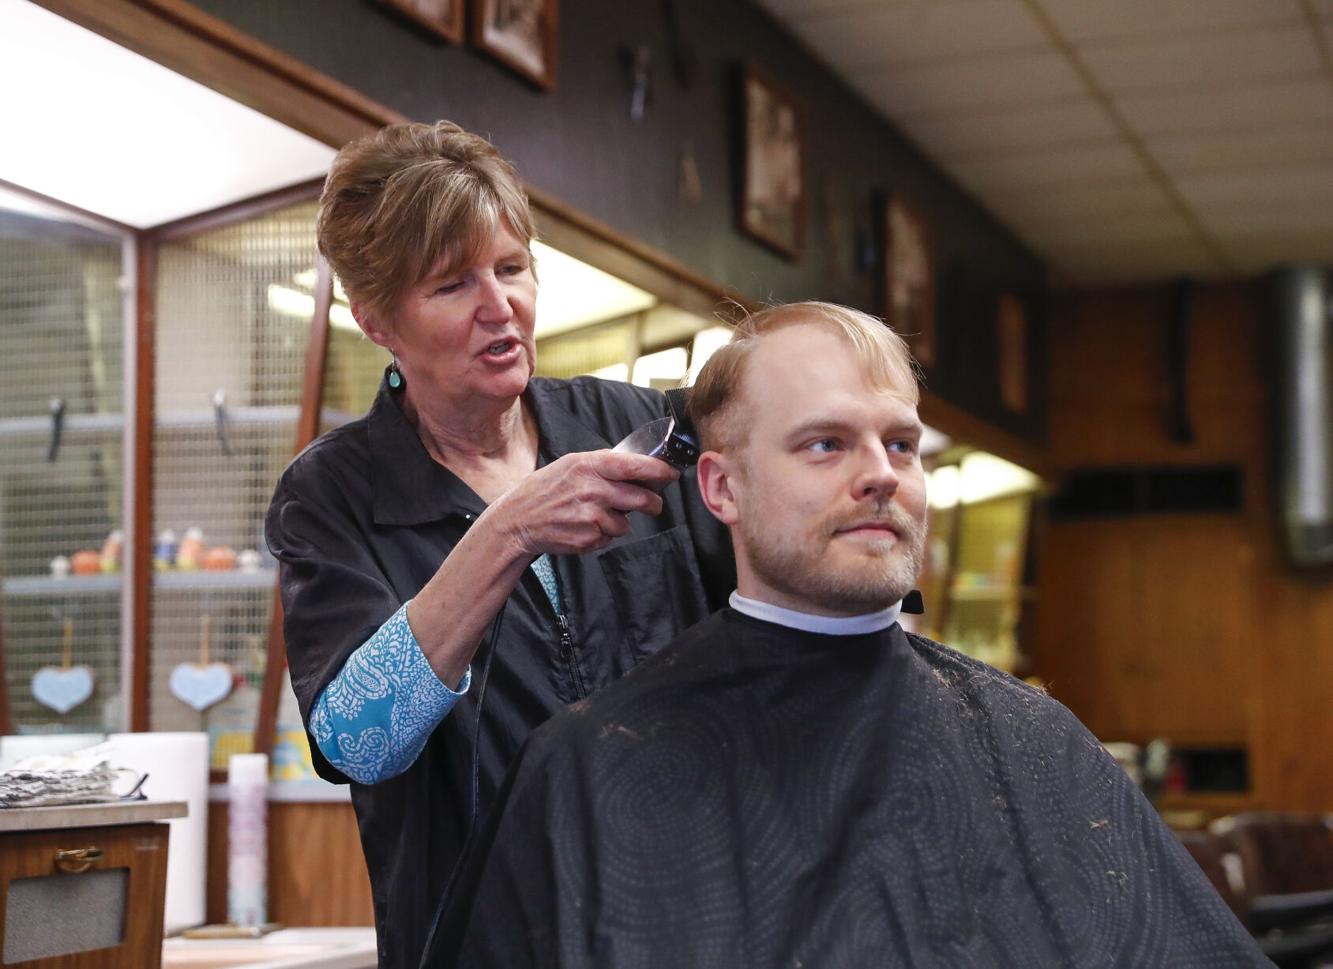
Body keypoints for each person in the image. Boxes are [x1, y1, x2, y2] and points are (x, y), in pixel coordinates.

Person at [421, 302, 1271, 968]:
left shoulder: (1033, 741)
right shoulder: (589, 766)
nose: (879, 475)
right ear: (720, 487)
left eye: (900, 444)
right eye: (825, 444)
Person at [264, 121, 733, 969]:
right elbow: (359, 742)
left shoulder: (644, 426)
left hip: (685, 924)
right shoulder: (332, 496)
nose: (499, 306)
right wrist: (509, 528)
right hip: (486, 938)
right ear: (376, 321)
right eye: (451, 285)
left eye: (511, 267)